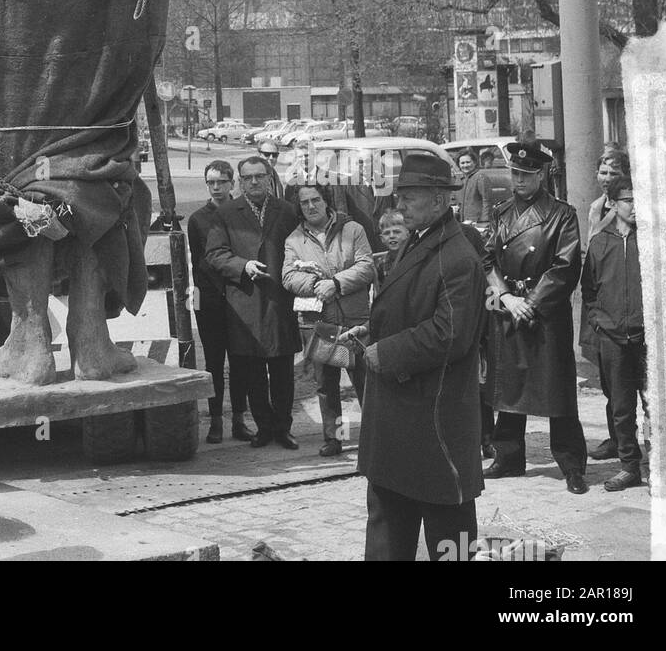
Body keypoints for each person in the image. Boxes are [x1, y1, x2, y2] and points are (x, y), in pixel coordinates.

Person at [355, 150, 487, 561]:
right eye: (401, 195)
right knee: (389, 525)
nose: (401, 205)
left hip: (434, 422)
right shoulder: (419, 241)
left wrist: (388, 351)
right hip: (402, 419)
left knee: (450, 536)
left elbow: (451, 334)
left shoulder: (458, 255)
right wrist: (373, 331)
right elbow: (411, 306)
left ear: (438, 199)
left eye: (410, 196)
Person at [484, 140, 587, 493]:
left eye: (527, 174)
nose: (520, 180)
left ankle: (572, 463)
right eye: (515, 173)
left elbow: (565, 266)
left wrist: (533, 301)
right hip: (511, 308)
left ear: (541, 174)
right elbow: (487, 260)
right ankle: (508, 456)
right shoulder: (501, 213)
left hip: (547, 314)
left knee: (557, 390)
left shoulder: (562, 214)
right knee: (510, 386)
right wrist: (507, 297)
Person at [204, 154, 301, 449]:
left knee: (283, 369)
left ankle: (283, 428)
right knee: (253, 371)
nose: (254, 182)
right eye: (248, 178)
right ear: (241, 181)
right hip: (244, 301)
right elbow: (214, 254)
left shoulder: (287, 211)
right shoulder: (227, 213)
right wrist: (242, 266)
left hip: (279, 300)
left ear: (270, 178)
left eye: (260, 176)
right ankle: (264, 427)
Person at [282, 183, 374, 457]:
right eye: (305, 202)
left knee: (364, 381)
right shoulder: (294, 240)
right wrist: (314, 284)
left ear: (326, 202)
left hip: (354, 322)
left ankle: (374, 436)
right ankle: (334, 439)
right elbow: (288, 276)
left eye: (315, 200)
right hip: (320, 324)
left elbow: (366, 266)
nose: (311, 206)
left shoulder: (352, 230)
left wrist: (336, 283)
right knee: (326, 385)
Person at [580, 175, 647, 492]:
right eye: (628, 200)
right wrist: (598, 321)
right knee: (621, 408)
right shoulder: (600, 242)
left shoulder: (650, 240)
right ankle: (629, 467)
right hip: (612, 336)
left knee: (654, 406)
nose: (634, 207)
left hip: (647, 338)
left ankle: (660, 466)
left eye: (638, 199)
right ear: (613, 204)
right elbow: (589, 289)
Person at [188, 161, 251, 443]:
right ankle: (216, 421)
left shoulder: (242, 212)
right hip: (210, 299)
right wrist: (198, 300)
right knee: (213, 362)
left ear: (231, 183)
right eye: (211, 183)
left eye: (221, 182)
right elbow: (196, 264)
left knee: (240, 361)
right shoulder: (198, 219)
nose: (216, 188)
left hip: (240, 296)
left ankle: (239, 419)